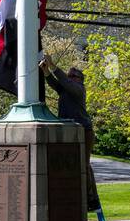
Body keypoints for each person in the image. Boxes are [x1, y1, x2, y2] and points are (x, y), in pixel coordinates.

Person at [39, 54, 101, 212]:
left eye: (73, 75)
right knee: (76, 165)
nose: (69, 77)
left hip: (84, 131)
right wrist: (46, 72)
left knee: (84, 165)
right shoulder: (67, 91)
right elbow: (55, 84)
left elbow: (64, 82)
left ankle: (91, 199)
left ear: (79, 79)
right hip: (71, 130)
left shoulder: (79, 90)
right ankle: (84, 194)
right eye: (69, 75)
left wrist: (53, 66)